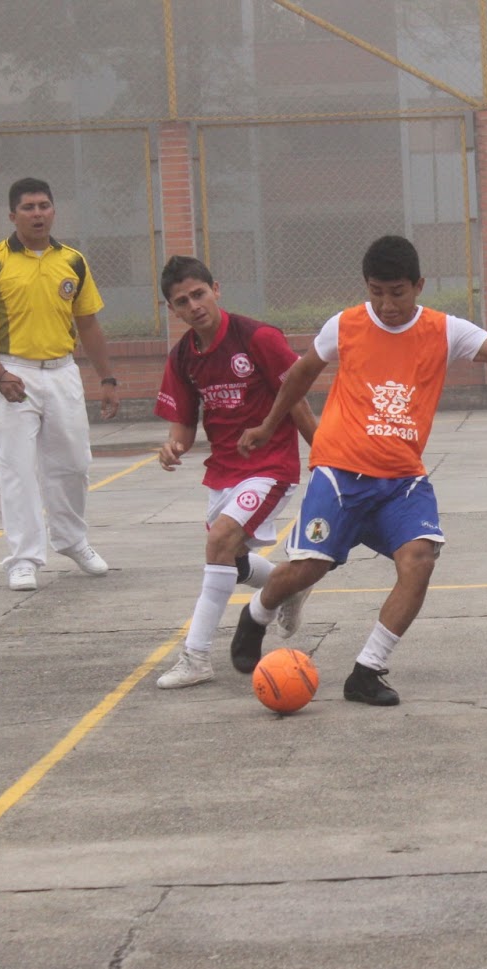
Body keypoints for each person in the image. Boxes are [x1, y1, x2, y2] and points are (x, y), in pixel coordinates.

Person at [228, 235, 487, 706]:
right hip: (339, 472)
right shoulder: (344, 326)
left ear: (418, 286)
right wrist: (268, 423)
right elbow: (300, 374)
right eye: (377, 291)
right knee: (307, 569)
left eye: (397, 292)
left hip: (402, 480)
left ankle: (368, 670)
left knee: (419, 561)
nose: (387, 303)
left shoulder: (443, 330)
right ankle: (255, 615)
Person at [152, 256, 319, 689]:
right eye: (182, 301)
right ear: (173, 311)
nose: (194, 306)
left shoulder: (257, 337)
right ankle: (289, 583)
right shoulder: (183, 357)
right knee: (235, 560)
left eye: (199, 294)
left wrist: (324, 454)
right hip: (224, 471)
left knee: (219, 541)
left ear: (216, 289)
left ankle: (196, 657)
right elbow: (185, 427)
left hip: (270, 466)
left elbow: (296, 395)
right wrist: (173, 447)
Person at [0, 177, 118, 592]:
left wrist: (107, 378)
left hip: (63, 372)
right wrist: (1, 374)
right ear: (12, 215)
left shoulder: (73, 261)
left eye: (44, 206)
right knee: (18, 470)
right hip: (13, 373)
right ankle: (24, 559)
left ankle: (72, 540)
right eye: (28, 207)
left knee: (74, 463)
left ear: (53, 211)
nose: (37, 214)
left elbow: (87, 323)